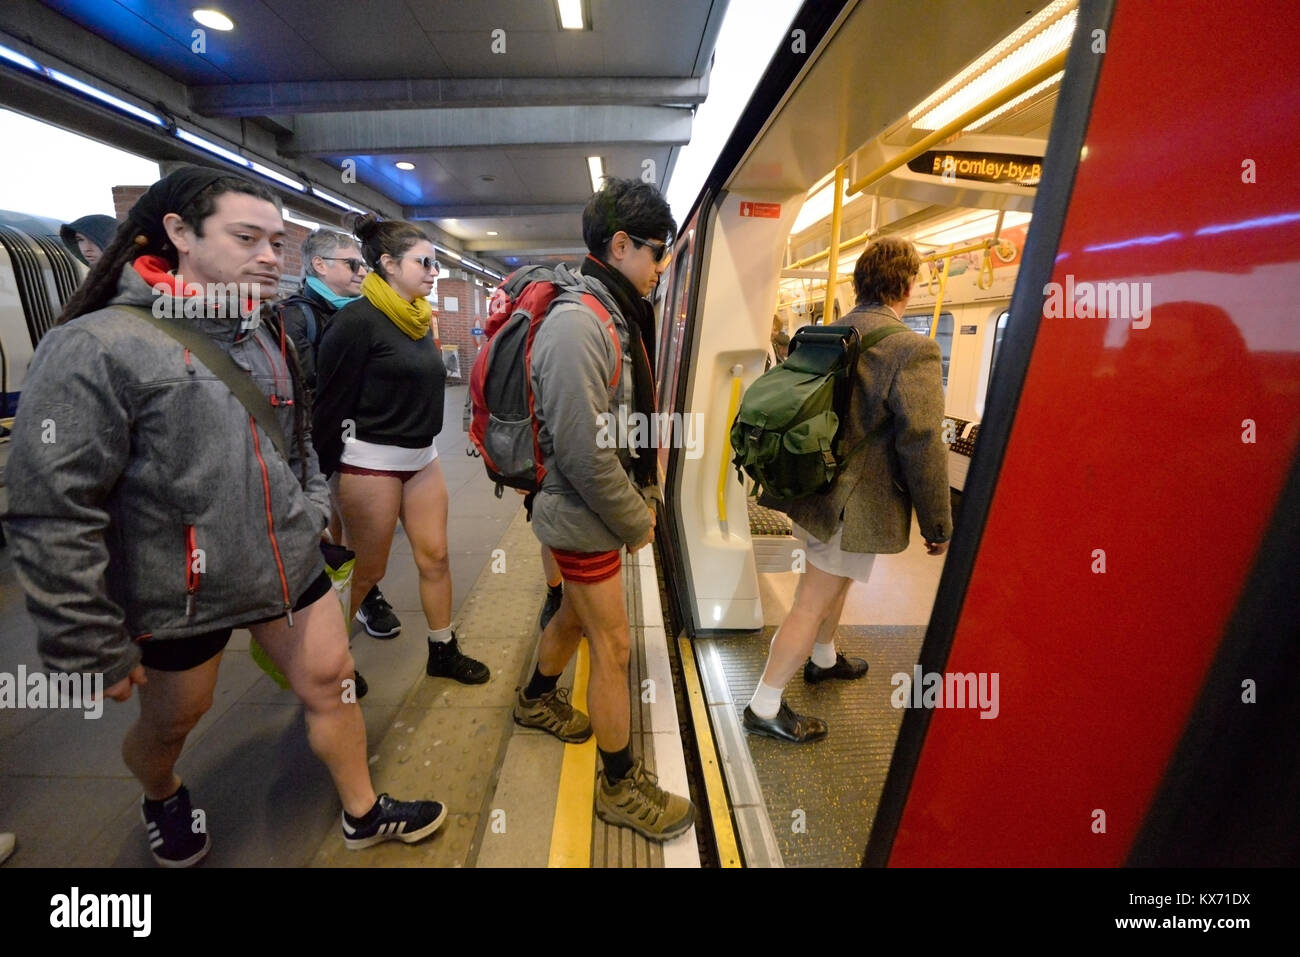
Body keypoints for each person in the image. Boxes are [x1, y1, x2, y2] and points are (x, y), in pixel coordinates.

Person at [2, 166, 447, 866]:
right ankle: (162, 791)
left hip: (286, 558)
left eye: (277, 240)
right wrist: (84, 637)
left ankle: (362, 810)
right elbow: (50, 504)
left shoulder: (266, 327)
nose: (271, 255)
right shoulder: (99, 344)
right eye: (248, 237)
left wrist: (308, 506)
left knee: (332, 680)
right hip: (180, 587)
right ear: (179, 233)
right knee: (177, 716)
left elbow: (297, 430)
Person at [519, 177, 695, 841]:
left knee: (573, 613)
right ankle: (620, 784)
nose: (659, 268)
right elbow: (584, 452)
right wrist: (637, 518)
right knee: (614, 645)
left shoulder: (613, 313)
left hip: (589, 511)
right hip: (582, 512)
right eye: (655, 252)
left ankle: (536, 699)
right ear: (619, 246)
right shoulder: (578, 324)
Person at [743, 237, 951, 743]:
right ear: (904, 285)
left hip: (814, 490)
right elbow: (923, 442)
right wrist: (938, 522)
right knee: (812, 600)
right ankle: (764, 704)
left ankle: (823, 657)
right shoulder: (913, 348)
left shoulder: (825, 333)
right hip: (852, 506)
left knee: (833, 583)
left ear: (860, 284)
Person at [312, 215, 489, 685]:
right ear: (388, 264)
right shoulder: (355, 323)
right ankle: (329, 663)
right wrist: (321, 487)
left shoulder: (415, 319)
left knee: (436, 556)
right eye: (424, 262)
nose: (434, 271)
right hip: (371, 464)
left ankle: (443, 650)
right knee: (367, 571)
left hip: (422, 458)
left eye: (435, 263)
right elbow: (328, 405)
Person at [276, 229, 400, 638]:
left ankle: (357, 598)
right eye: (352, 264)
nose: (361, 271)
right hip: (322, 444)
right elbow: (311, 384)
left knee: (354, 526)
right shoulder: (298, 316)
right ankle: (333, 621)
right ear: (319, 265)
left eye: (361, 264)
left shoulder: (360, 310)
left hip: (363, 438)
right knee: (336, 526)